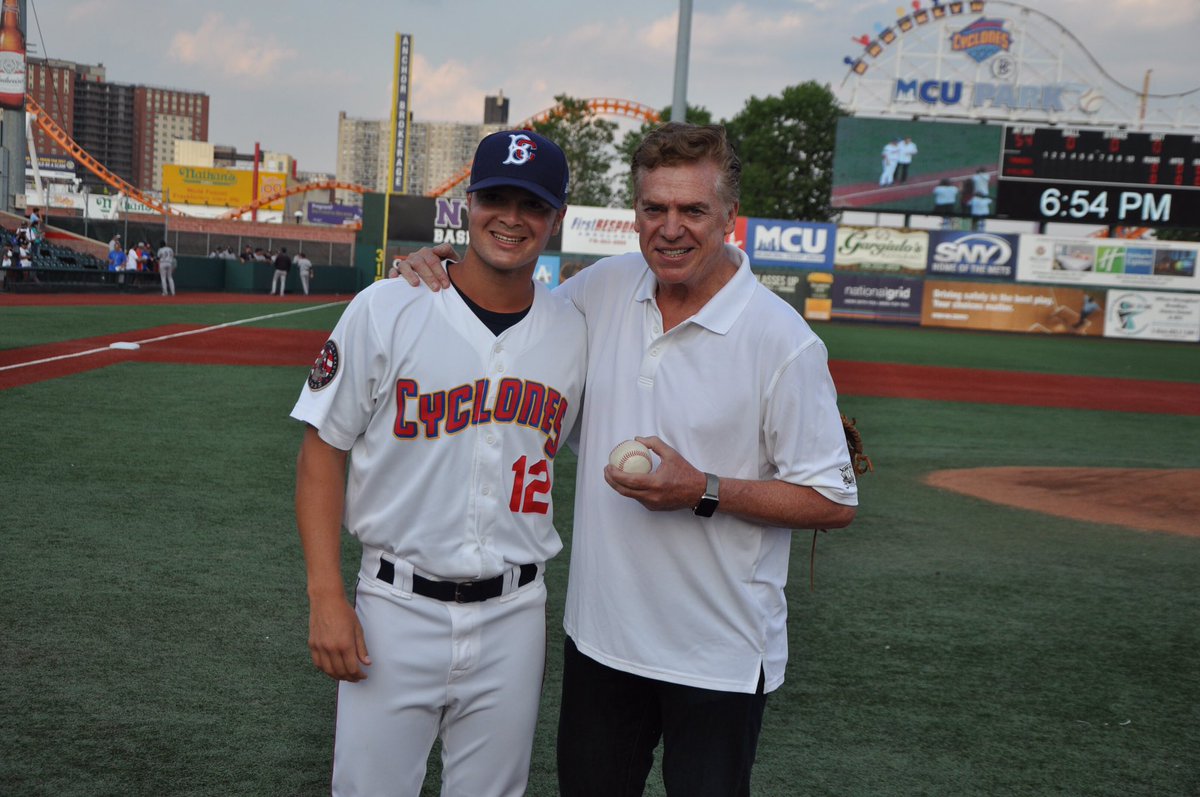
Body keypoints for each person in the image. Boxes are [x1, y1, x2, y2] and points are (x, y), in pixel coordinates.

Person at [397, 123, 859, 797]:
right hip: (601, 643)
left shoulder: (781, 340)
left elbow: (834, 501)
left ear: (729, 215)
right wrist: (430, 268)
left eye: (693, 210)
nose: (671, 228)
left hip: (719, 656)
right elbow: (512, 329)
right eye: (654, 209)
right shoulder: (603, 289)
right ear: (635, 211)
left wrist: (701, 488)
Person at [292, 129, 586, 797]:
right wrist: (326, 594)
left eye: (532, 205)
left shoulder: (574, 329)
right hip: (395, 608)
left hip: (515, 614)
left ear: (555, 218)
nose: (511, 218)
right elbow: (322, 449)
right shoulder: (389, 306)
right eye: (496, 198)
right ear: (466, 203)